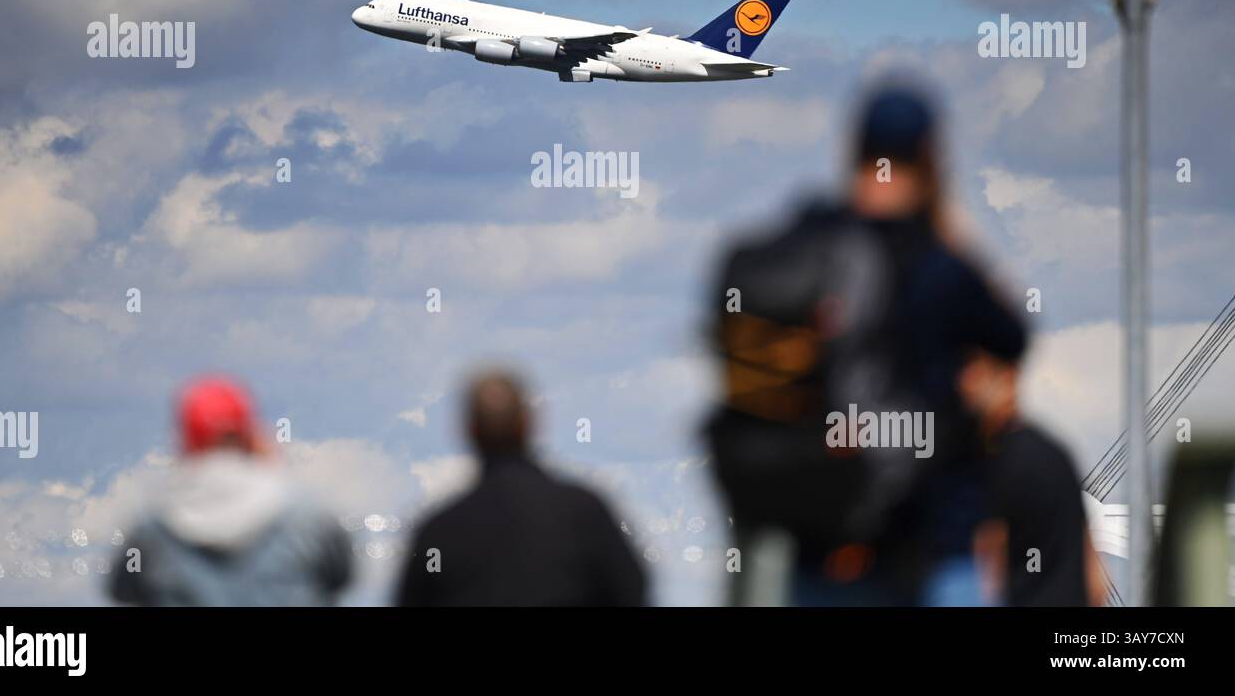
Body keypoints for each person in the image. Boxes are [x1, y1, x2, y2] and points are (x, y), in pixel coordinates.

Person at [706, 80, 1028, 606]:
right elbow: (1011, 337)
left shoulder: (805, 247)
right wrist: (947, 225)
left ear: (851, 150)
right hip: (928, 551)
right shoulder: (939, 266)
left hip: (819, 557)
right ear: (931, 157)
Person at [395, 369, 646, 606]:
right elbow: (632, 590)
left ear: (470, 431)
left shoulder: (437, 532)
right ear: (527, 423)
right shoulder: (585, 512)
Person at [109, 374, 352, 606]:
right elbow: (341, 575)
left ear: (184, 441)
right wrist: (274, 474)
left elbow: (121, 590)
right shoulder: (306, 519)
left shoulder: (153, 530)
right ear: (251, 436)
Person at [959, 352, 1107, 606]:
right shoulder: (1057, 454)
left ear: (1007, 379)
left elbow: (987, 570)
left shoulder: (991, 462)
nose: (964, 388)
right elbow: (1096, 582)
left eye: (974, 375)